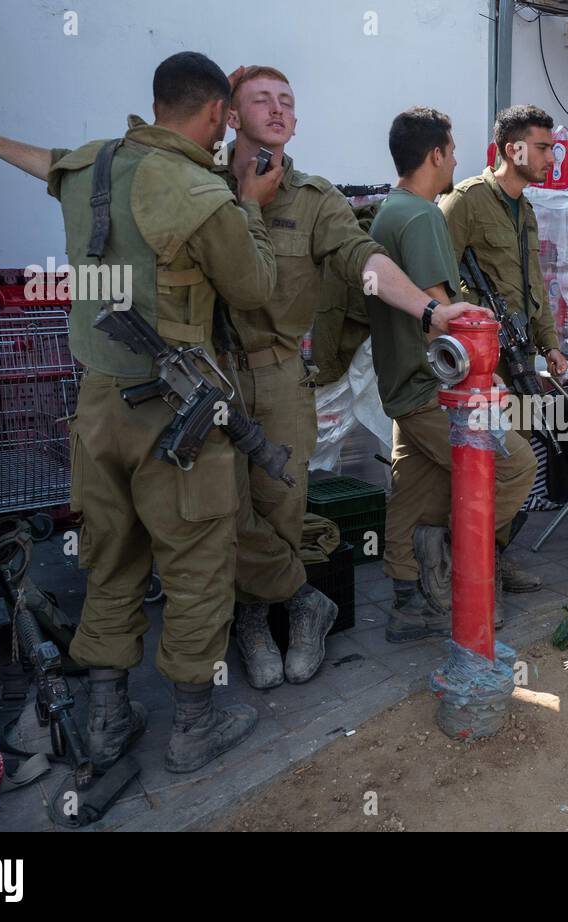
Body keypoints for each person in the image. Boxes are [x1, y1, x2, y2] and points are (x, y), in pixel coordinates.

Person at [0, 53, 280, 773]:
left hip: (97, 409)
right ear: (216, 114)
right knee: (195, 568)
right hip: (177, 418)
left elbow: (48, 163)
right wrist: (250, 203)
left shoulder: (95, 166)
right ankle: (192, 728)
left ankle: (106, 716)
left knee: (110, 560)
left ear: (156, 102)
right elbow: (252, 289)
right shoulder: (200, 190)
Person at [211, 66, 472, 688]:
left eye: (287, 102)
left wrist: (430, 309)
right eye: (261, 101)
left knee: (281, 501)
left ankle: (294, 605)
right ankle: (262, 614)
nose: (277, 111)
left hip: (276, 375)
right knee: (220, 508)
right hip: (210, 372)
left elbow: (364, 264)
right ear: (228, 115)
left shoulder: (316, 197)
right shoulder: (201, 186)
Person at [365, 107, 539, 643]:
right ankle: (452, 568)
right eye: (453, 149)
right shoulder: (422, 218)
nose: (458, 159)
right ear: (436, 154)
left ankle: (409, 600)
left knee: (411, 490)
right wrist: (486, 381)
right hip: (432, 389)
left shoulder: (389, 212)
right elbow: (449, 321)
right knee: (514, 466)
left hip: (402, 384)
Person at [439, 103, 568, 592]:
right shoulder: (465, 201)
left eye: (550, 147)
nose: (550, 157)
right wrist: (466, 356)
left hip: (518, 358)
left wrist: (550, 345)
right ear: (511, 149)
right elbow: (437, 282)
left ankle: (492, 554)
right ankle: (464, 558)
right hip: (480, 365)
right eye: (542, 147)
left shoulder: (526, 210)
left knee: (525, 460)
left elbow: (534, 285)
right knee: (500, 460)